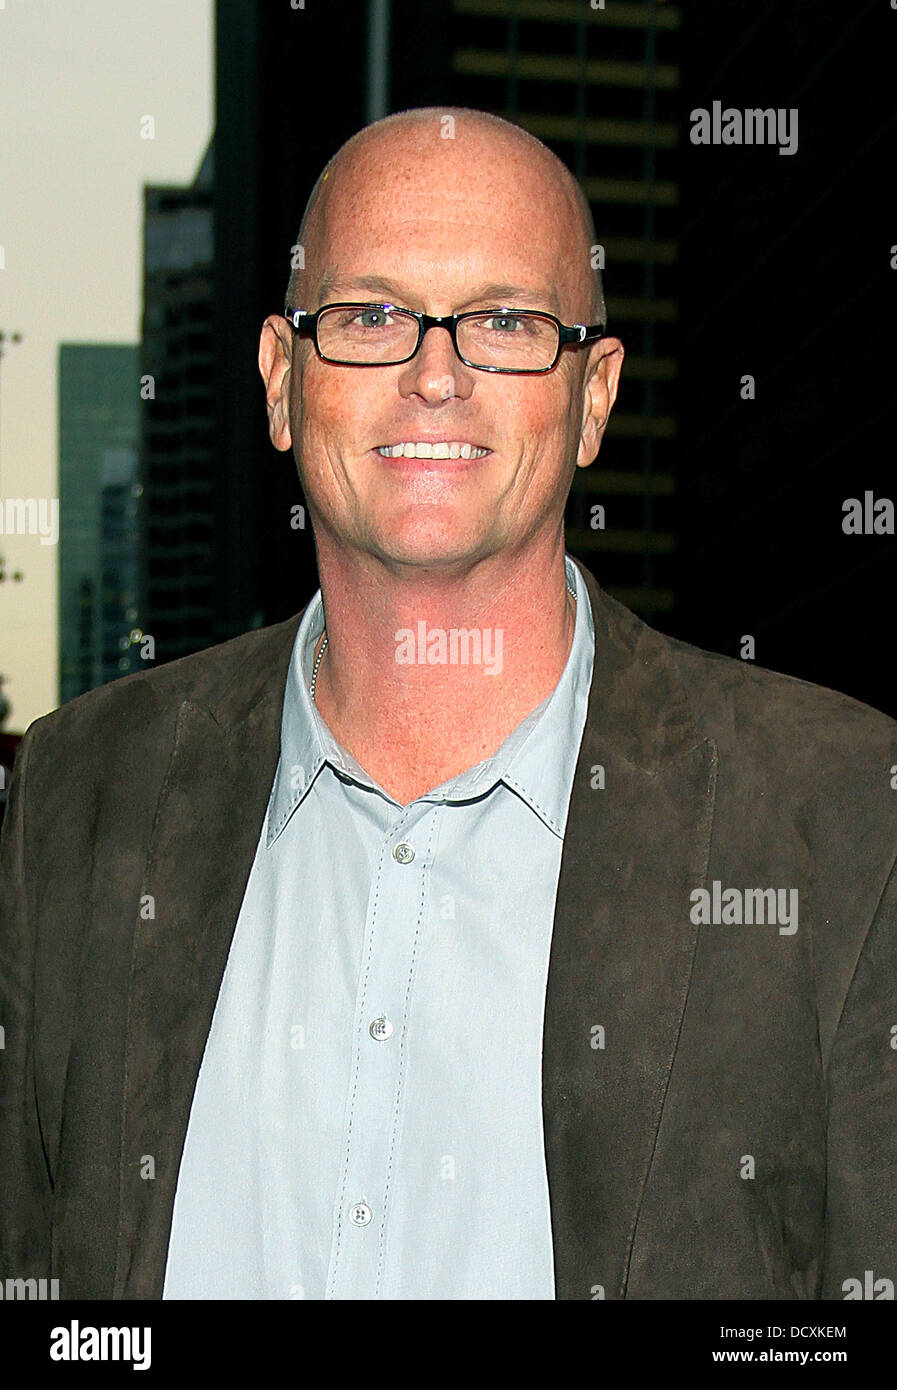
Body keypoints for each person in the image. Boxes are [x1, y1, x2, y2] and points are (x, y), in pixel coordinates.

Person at [1, 106, 895, 1301]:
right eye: (371, 315)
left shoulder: (841, 816)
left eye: (506, 322)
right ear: (281, 382)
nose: (435, 372)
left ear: (593, 397)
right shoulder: (74, 796)